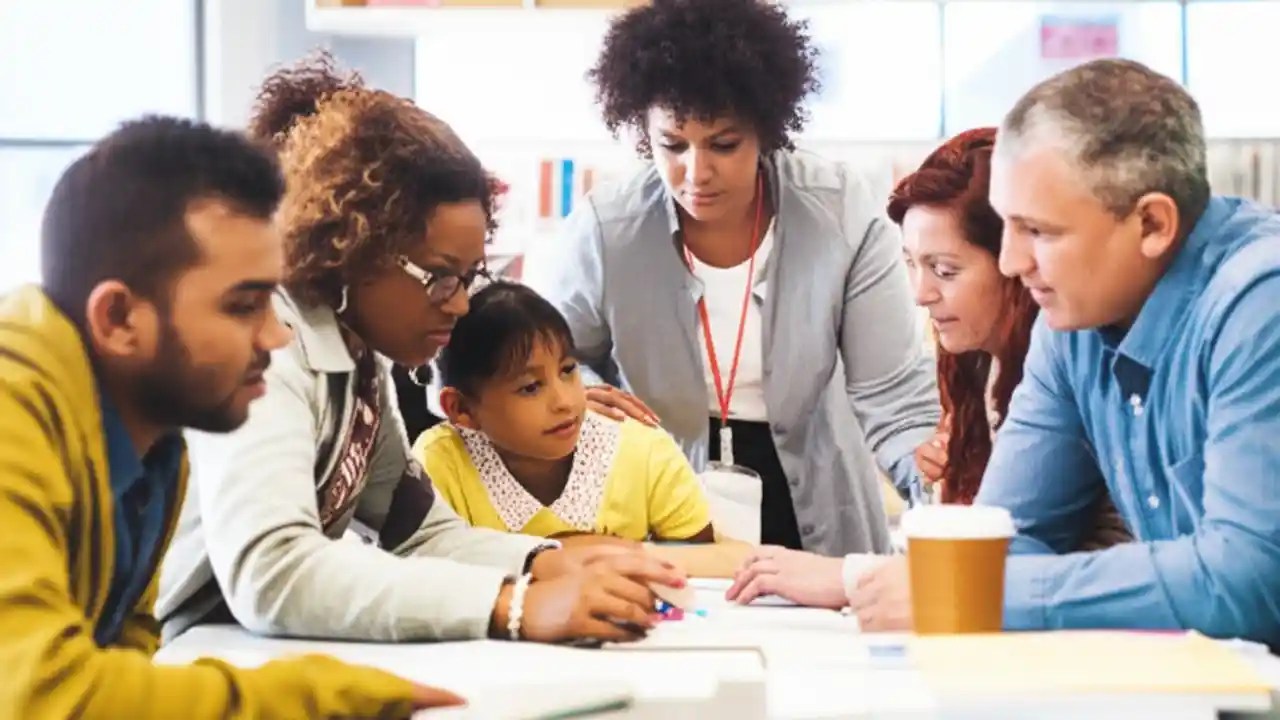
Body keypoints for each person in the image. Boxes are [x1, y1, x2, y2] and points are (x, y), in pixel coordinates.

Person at [157, 54, 683, 646]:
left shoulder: (359, 356)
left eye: (470, 276)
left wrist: (550, 562)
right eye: (439, 277)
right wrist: (512, 606)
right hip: (187, 656)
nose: (459, 305)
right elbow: (274, 571)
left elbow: (419, 533)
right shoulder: (272, 347)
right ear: (354, 248)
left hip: (256, 650)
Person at [0, 116, 465, 718]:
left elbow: (126, 647)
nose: (274, 335)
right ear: (117, 319)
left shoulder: (153, 432)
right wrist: (324, 695)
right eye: (244, 306)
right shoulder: (14, 410)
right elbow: (44, 697)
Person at [848, 59, 1280, 646]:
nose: (1010, 262)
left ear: (1152, 223)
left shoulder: (1260, 304)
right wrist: (965, 585)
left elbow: (1246, 579)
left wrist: (975, 596)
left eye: (1039, 232)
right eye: (1006, 227)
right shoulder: (1073, 320)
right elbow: (1007, 537)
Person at [523, 0, 940, 557]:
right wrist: (581, 394)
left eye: (724, 144)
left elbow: (891, 394)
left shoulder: (840, 213)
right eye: (672, 144)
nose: (696, 173)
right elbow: (545, 360)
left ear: (765, 131)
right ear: (644, 132)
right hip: (658, 502)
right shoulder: (606, 229)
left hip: (818, 505)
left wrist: (933, 478)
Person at [727, 128, 1130, 608]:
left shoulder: (1069, 359)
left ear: (1016, 259)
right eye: (912, 266)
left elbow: (1036, 554)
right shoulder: (979, 368)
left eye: (944, 270)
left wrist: (853, 577)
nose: (921, 293)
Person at [416, 281, 715, 543]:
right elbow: (421, 579)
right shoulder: (439, 463)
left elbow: (716, 561)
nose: (565, 401)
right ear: (462, 409)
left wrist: (619, 555)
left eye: (568, 370)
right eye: (531, 387)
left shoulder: (643, 448)